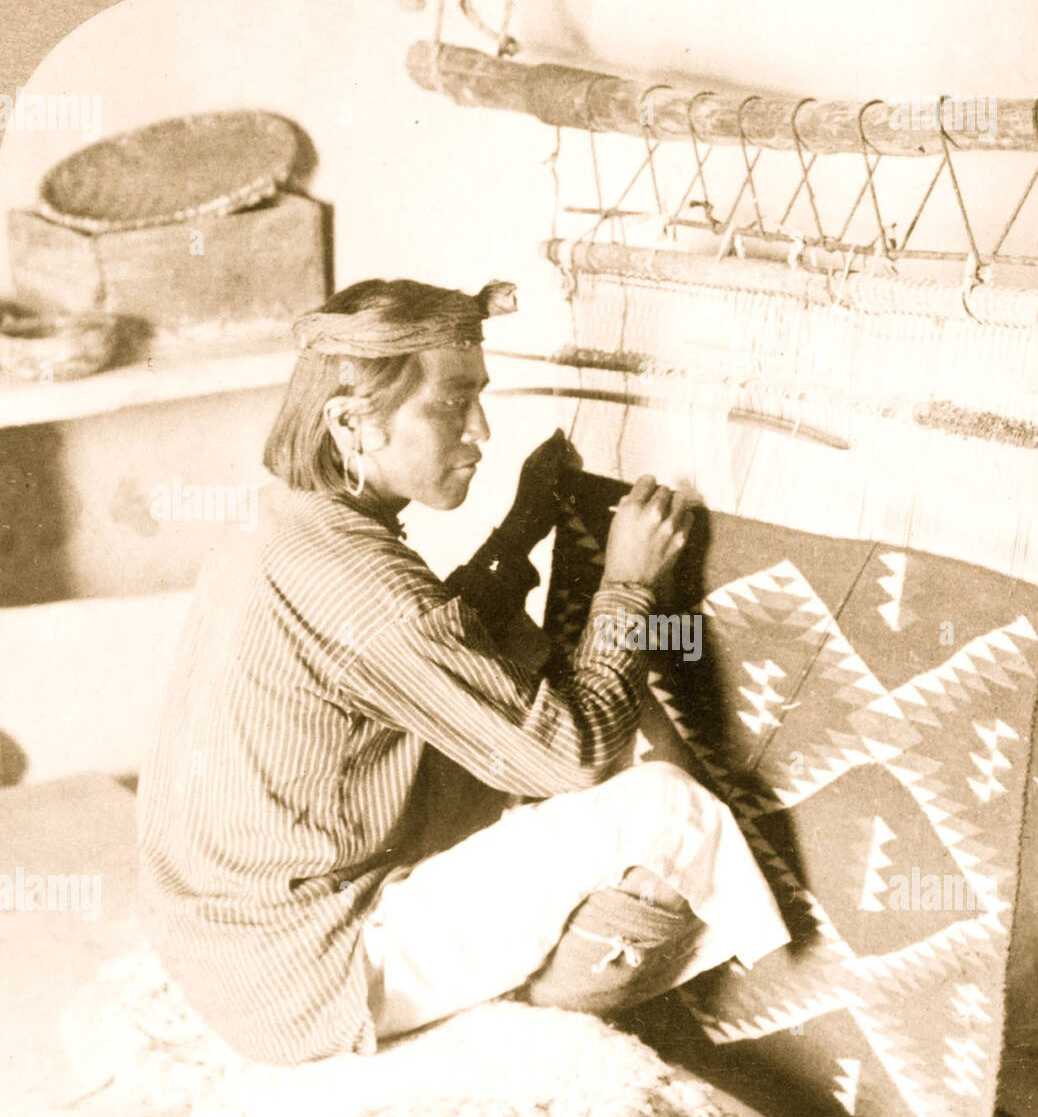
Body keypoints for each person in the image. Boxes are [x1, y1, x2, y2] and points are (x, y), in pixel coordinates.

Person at [136, 277, 789, 1066]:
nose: (480, 431)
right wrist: (630, 586)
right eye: (451, 404)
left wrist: (517, 533)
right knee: (666, 809)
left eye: (480, 398)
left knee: (505, 741)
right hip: (310, 973)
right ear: (352, 423)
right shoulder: (363, 585)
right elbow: (572, 754)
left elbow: (425, 655)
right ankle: (524, 1008)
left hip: (224, 948)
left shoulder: (282, 522)